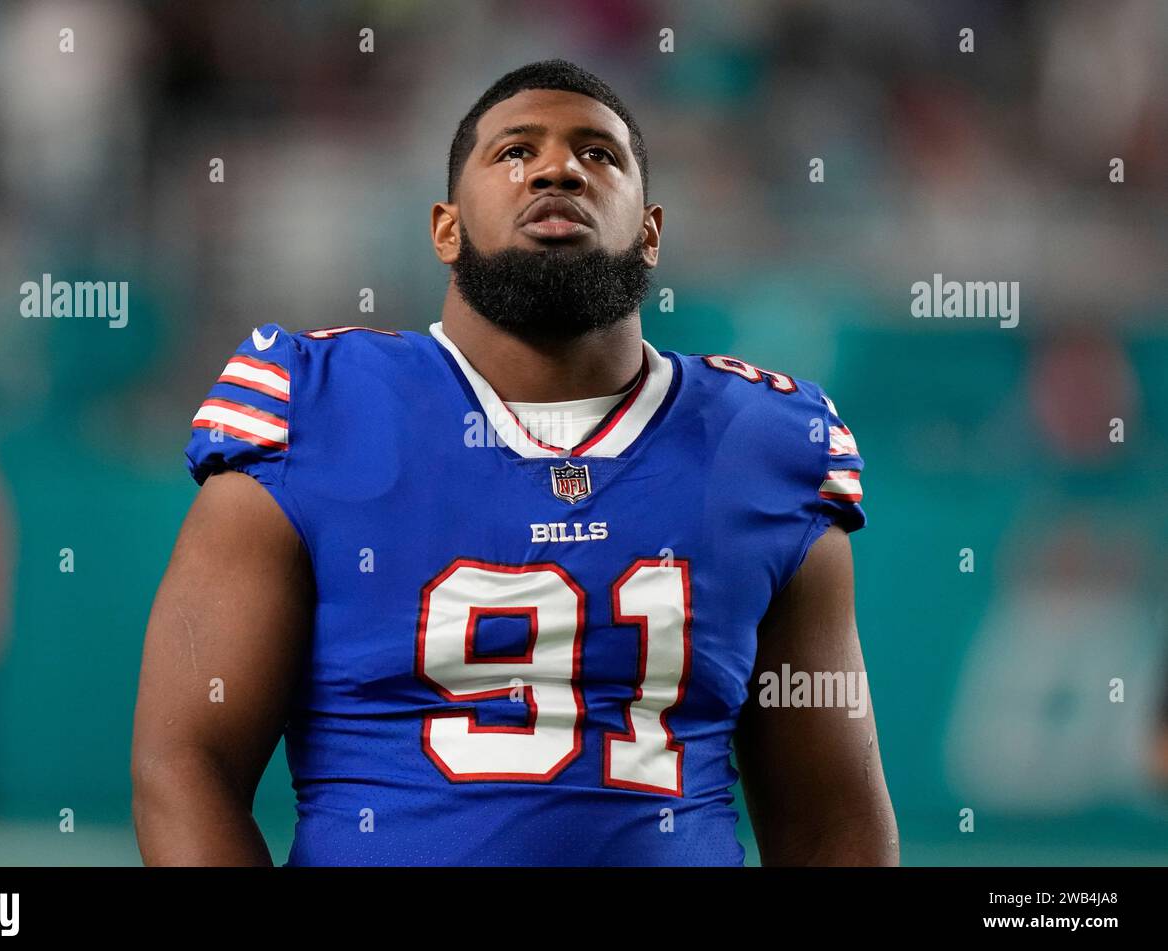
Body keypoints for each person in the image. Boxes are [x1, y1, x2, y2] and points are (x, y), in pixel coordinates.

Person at [131, 58, 898, 866]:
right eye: (514, 151)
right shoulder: (313, 404)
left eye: (599, 154)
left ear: (651, 231)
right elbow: (186, 764)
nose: (559, 167)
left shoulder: (767, 444)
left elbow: (831, 821)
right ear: (446, 227)